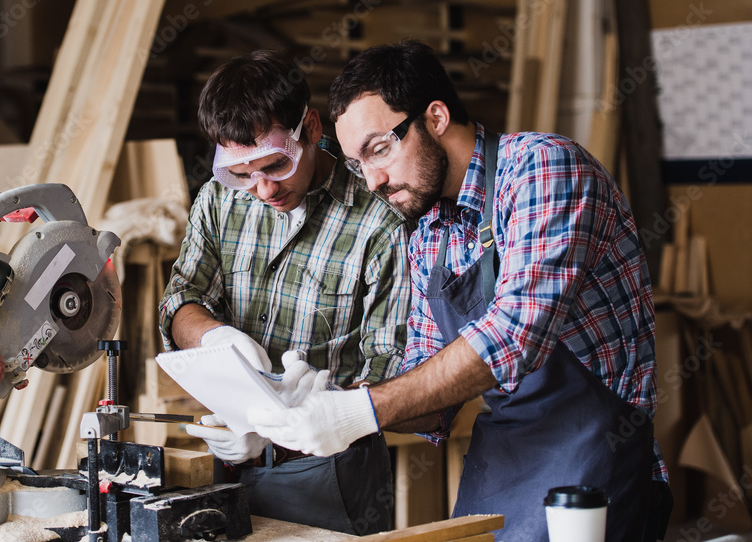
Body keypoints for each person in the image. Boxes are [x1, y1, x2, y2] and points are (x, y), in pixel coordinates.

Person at [250, 41, 672, 542]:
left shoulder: (543, 168)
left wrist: (362, 411)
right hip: (504, 466)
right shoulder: (429, 232)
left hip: (594, 464)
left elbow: (515, 335)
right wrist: (326, 400)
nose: (374, 180)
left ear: (436, 117)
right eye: (357, 164)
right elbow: (430, 397)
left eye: (379, 150)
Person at [158, 50, 412, 535]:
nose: (262, 190)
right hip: (231, 459)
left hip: (329, 468)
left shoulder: (379, 219)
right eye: (241, 172)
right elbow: (180, 300)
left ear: (312, 128)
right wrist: (214, 338)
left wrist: (325, 406)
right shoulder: (219, 198)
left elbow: (391, 369)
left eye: (276, 164)